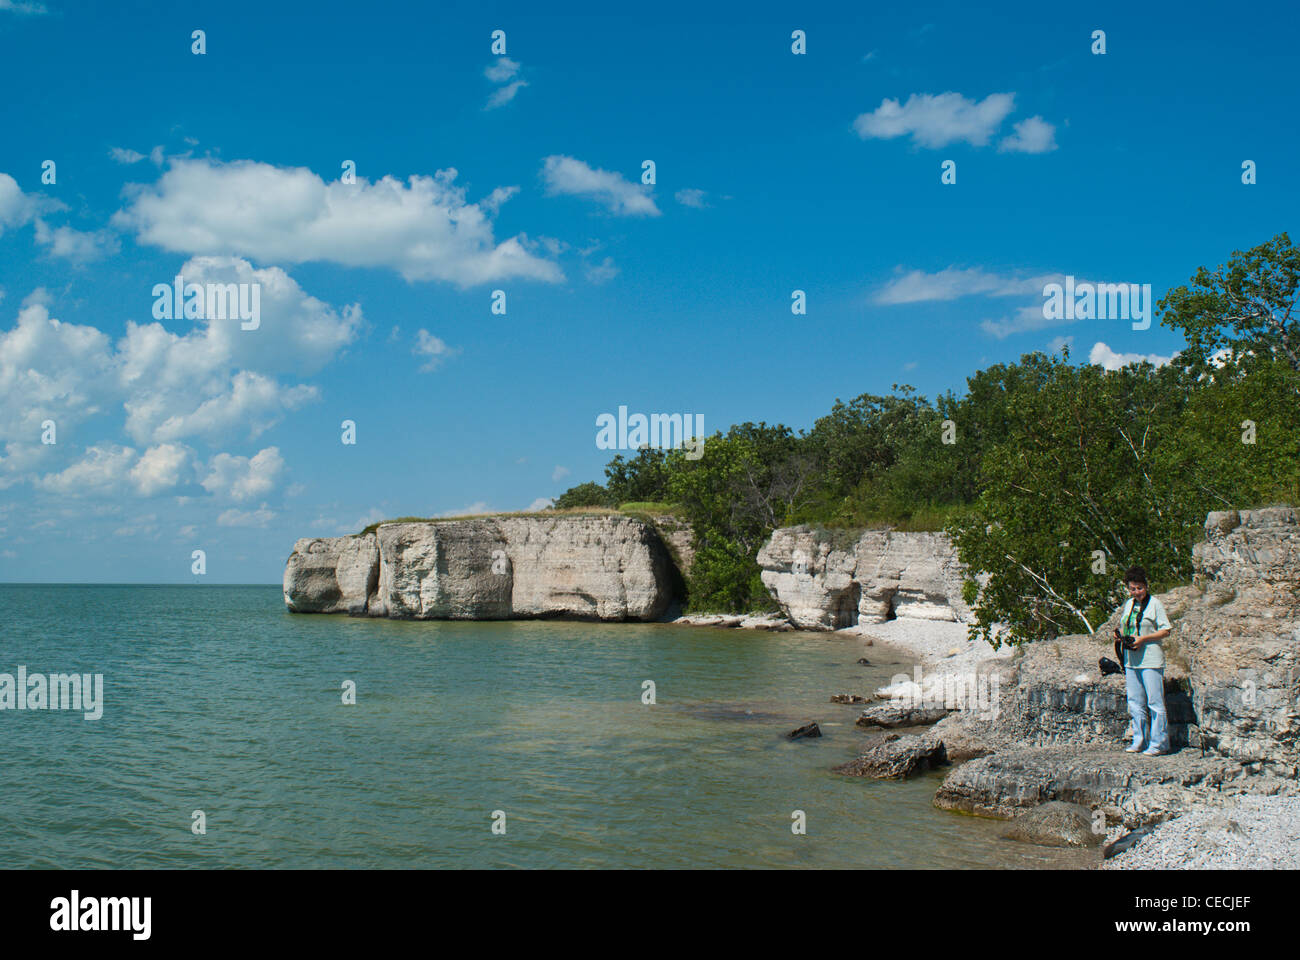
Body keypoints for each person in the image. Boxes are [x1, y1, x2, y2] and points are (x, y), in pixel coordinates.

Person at [1112, 566, 1173, 755]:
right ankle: (1139, 739)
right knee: (1135, 701)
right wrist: (1120, 636)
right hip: (1132, 660)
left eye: (1139, 588)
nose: (1137, 592)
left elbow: (1166, 630)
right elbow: (1127, 626)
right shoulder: (1129, 605)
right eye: (1133, 588)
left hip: (1151, 659)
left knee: (1154, 702)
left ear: (1146, 586)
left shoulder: (1155, 604)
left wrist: (1143, 639)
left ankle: (1159, 743)